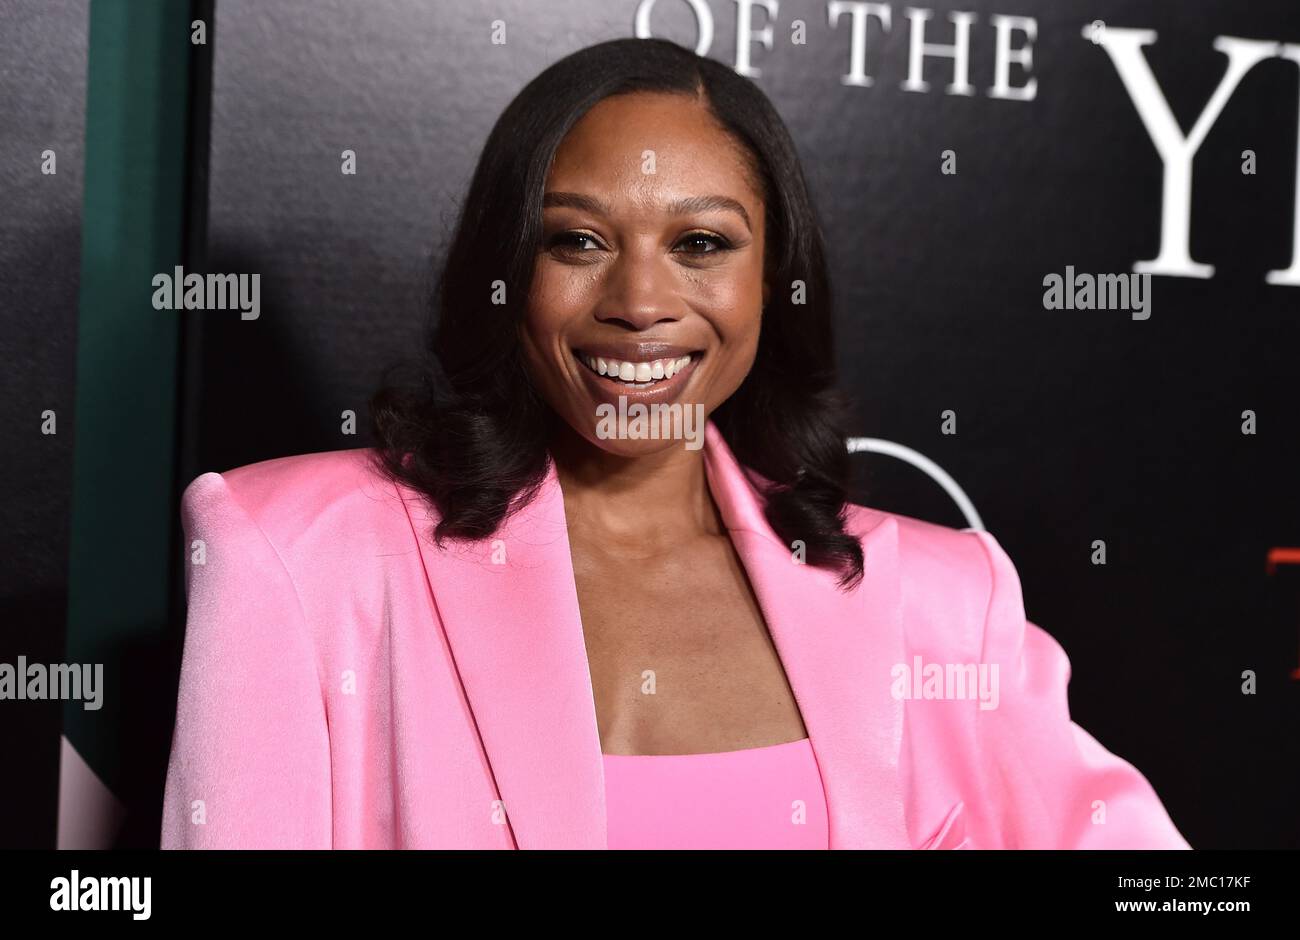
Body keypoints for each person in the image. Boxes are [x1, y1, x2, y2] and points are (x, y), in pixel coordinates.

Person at [161, 37, 1189, 850]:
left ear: (771, 281)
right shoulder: (294, 552)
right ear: (504, 267)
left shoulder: (938, 603)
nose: (640, 302)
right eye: (577, 240)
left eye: (700, 244)